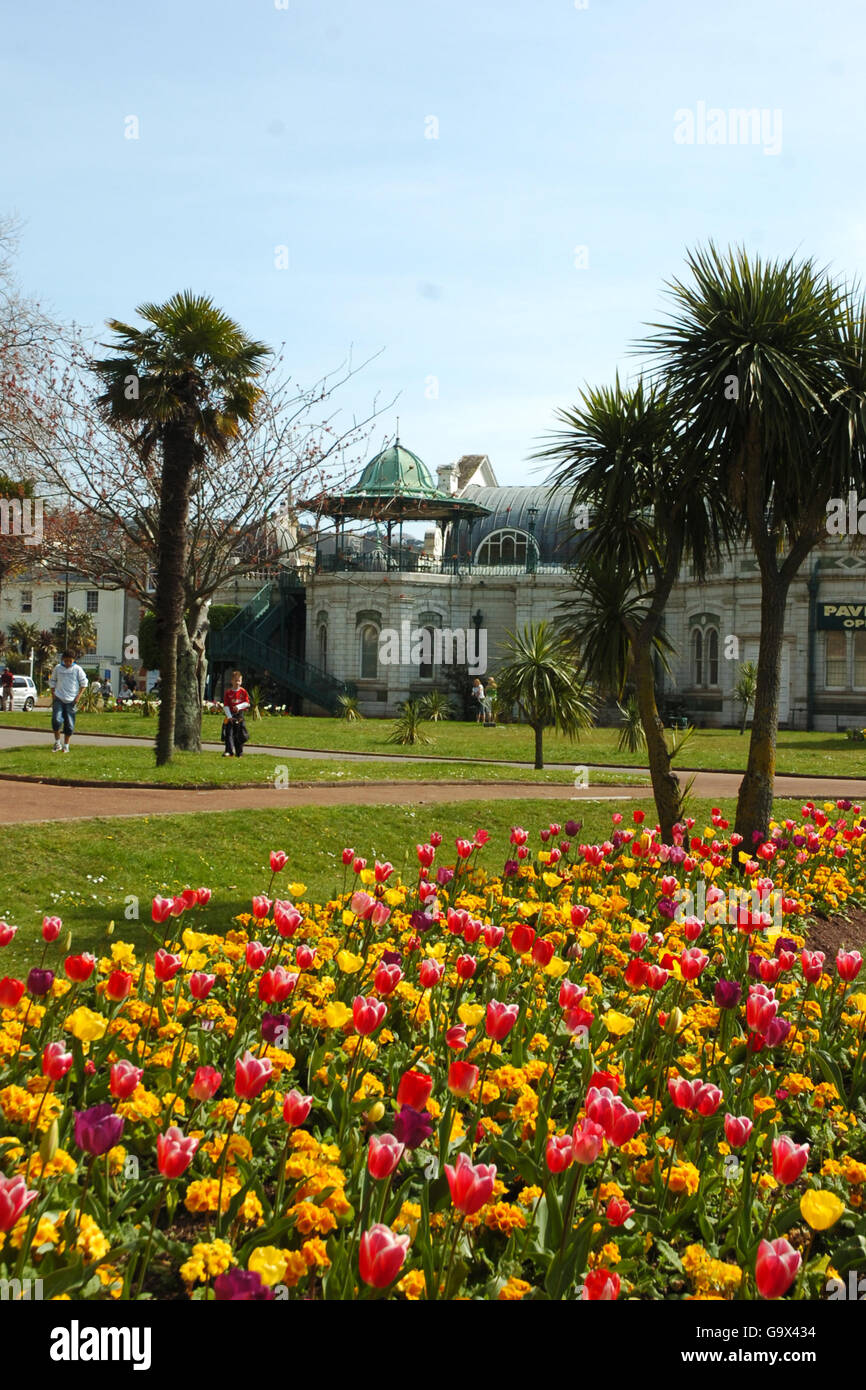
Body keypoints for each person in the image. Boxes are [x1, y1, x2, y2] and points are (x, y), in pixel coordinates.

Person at [49, 650, 88, 752]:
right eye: (66, 661)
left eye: (70, 661)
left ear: (73, 660)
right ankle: (57, 743)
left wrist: (78, 696)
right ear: (62, 660)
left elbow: (84, 684)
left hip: (71, 700)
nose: (68, 663)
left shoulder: (77, 669)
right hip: (59, 698)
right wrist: (53, 695)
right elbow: (52, 681)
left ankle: (66, 745)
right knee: (56, 720)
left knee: (69, 724)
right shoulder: (58, 668)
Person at [222, 670, 251, 757]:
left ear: (241, 681)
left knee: (239, 734)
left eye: (239, 681)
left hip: (239, 715)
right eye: (235, 680)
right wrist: (229, 716)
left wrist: (239, 707)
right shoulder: (228, 693)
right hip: (230, 715)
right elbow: (226, 705)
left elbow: (247, 703)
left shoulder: (243, 692)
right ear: (231, 681)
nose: (237, 682)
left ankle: (239, 752)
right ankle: (229, 751)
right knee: (229, 733)